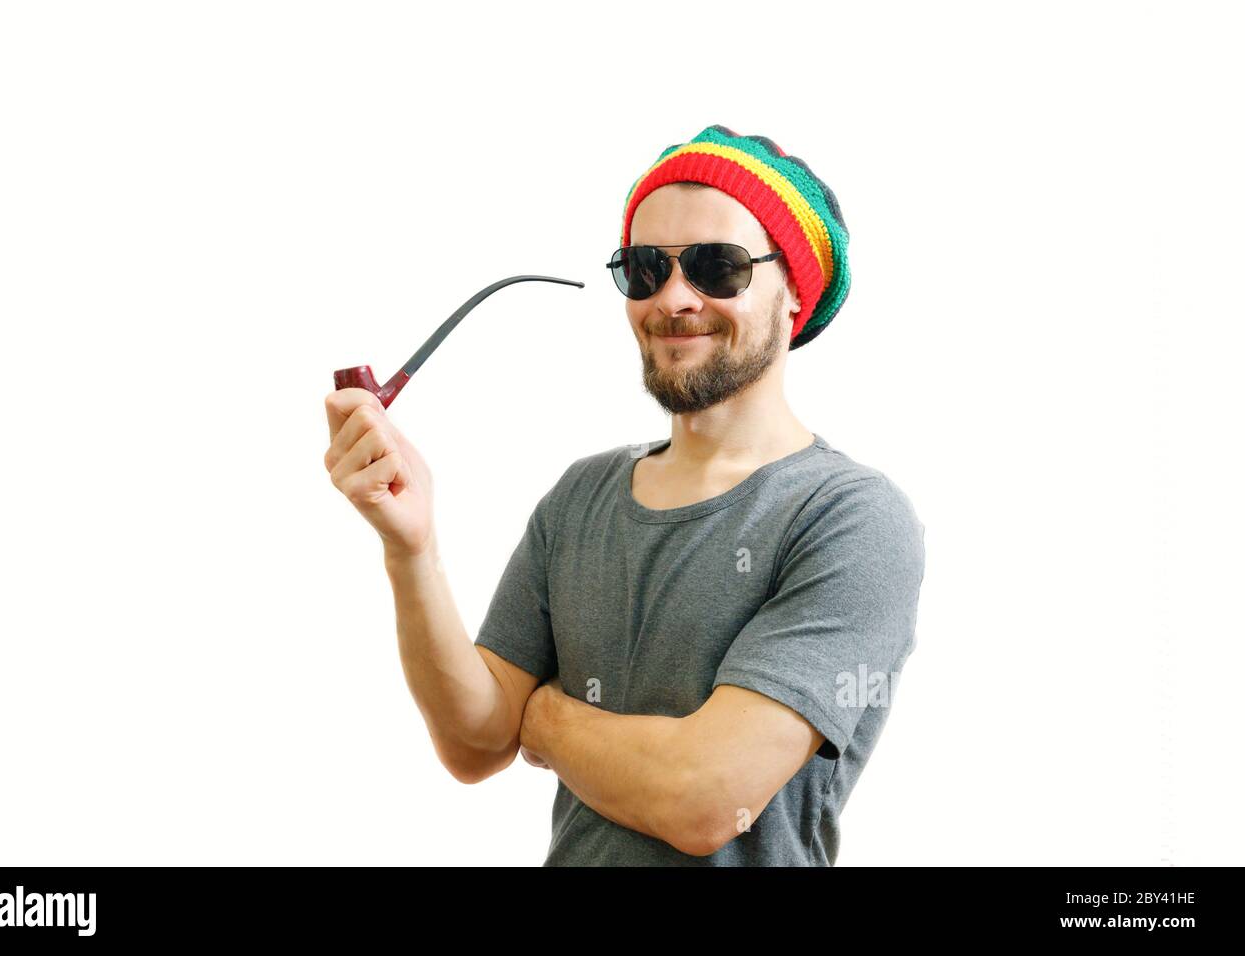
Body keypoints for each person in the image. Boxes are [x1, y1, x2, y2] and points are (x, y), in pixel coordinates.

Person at [322, 125, 925, 866]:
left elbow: (702, 801)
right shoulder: (582, 496)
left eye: (717, 266)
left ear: (795, 288)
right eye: (646, 268)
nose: (673, 299)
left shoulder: (851, 518)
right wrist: (409, 546)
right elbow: (475, 743)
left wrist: (543, 720)